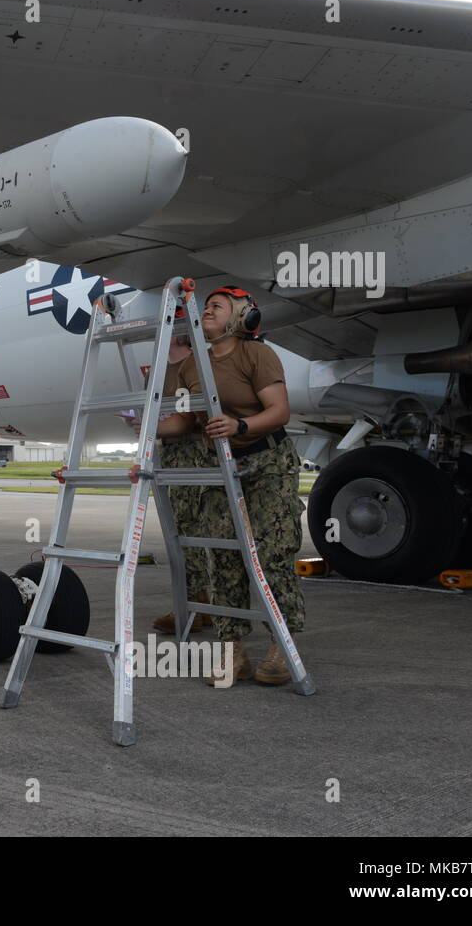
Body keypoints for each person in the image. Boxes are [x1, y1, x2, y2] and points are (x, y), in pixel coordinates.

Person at [151, 287, 305, 686]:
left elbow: (279, 411)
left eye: (216, 307)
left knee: (272, 555)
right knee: (221, 560)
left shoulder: (257, 355)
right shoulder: (189, 368)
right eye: (204, 308)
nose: (206, 312)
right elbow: (183, 423)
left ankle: (281, 649)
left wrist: (240, 426)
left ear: (240, 316)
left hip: (268, 463)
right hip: (221, 467)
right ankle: (232, 650)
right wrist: (146, 425)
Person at [142, 331, 214, 634]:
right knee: (181, 530)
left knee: (194, 530)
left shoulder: (198, 363)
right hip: (170, 453)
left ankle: (199, 606)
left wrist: (153, 426)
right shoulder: (158, 370)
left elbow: (192, 418)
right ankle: (197, 604)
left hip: (195, 452)